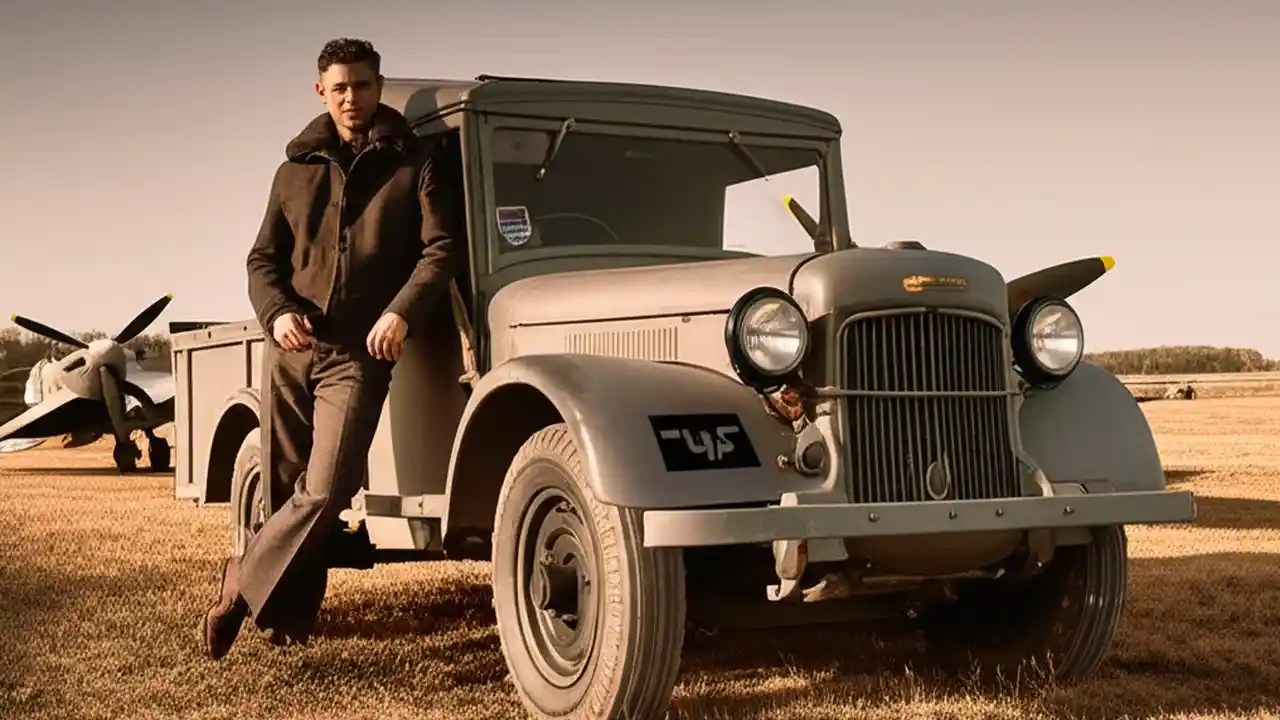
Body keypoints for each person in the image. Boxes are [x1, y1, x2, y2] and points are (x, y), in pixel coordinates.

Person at [200, 37, 462, 660]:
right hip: (292, 348)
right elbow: (263, 260)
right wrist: (277, 312)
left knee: (327, 488)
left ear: (379, 85)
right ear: (321, 90)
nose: (352, 97)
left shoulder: (417, 162)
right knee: (290, 481)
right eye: (340, 87)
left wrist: (402, 311)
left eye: (363, 85)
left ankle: (239, 579)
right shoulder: (292, 171)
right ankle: (288, 621)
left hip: (359, 355)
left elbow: (441, 248)